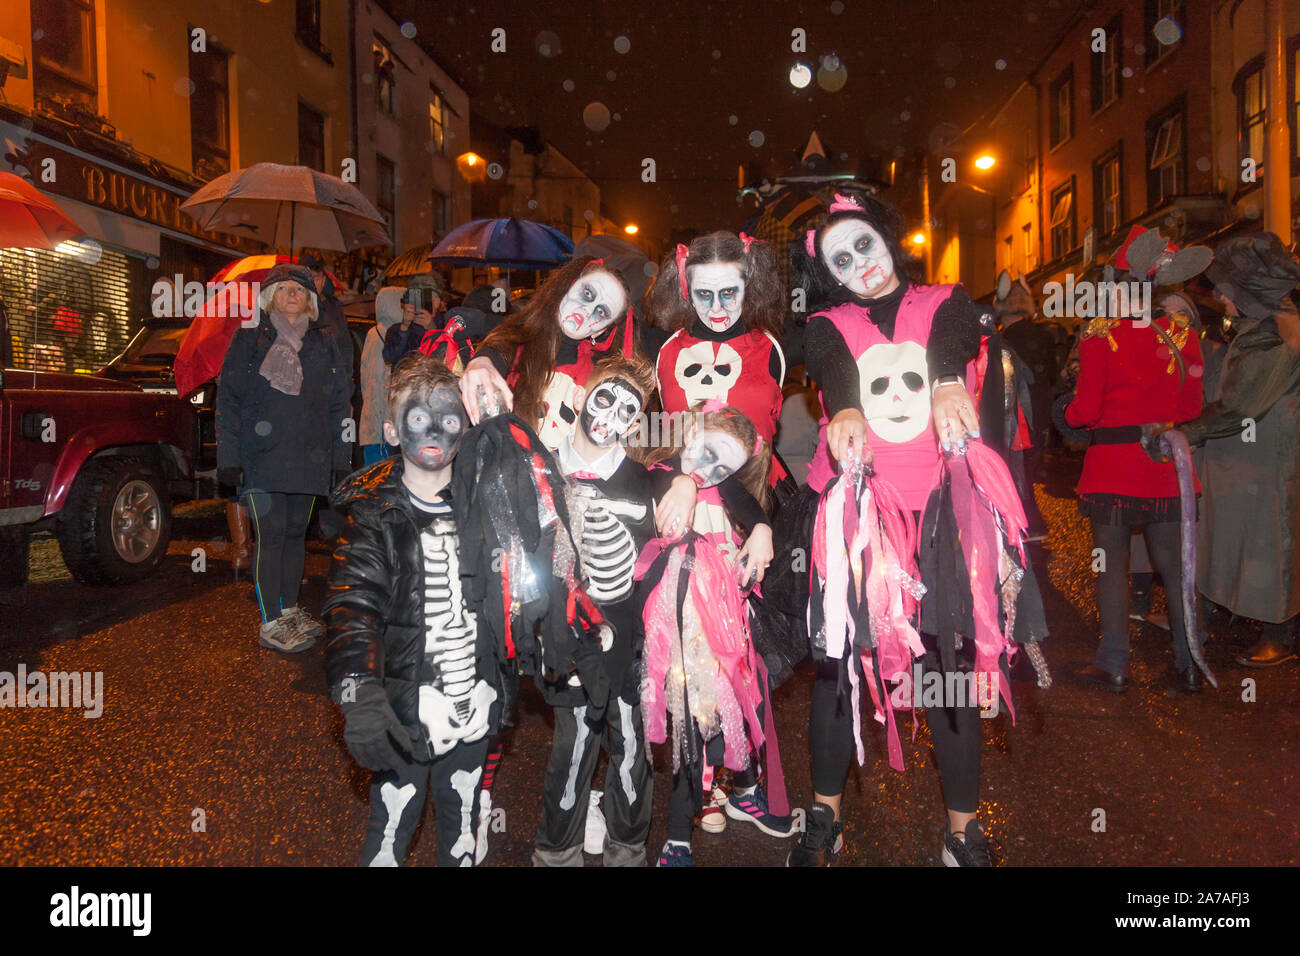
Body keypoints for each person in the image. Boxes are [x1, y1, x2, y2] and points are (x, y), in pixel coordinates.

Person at [784, 189, 1044, 867]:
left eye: (864, 245)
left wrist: (950, 380)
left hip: (942, 518)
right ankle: (824, 819)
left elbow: (955, 340)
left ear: (888, 239)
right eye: (841, 260)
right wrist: (843, 411)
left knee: (949, 668)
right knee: (840, 666)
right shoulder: (828, 321)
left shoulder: (946, 300)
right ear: (831, 275)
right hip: (859, 513)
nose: (858, 265)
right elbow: (833, 369)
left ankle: (963, 831)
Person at [324, 354, 500, 867]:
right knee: (391, 828)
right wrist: (358, 691)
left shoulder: (484, 505)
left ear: (464, 430)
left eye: (448, 420)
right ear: (392, 430)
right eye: (417, 419)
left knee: (462, 823)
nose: (434, 432)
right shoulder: (373, 515)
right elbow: (352, 607)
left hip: (476, 700)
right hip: (405, 705)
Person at [638, 403, 785, 866]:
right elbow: (666, 482)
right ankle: (678, 836)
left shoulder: (723, 487)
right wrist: (683, 481)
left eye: (724, 465)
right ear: (688, 432)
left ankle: (742, 789)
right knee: (687, 730)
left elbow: (752, 510)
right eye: (706, 451)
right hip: (677, 635)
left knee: (739, 709)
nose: (710, 469)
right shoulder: (661, 475)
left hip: (724, 628)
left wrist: (761, 529)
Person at [1064, 227, 1209, 694]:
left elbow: (1085, 411)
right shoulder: (1181, 333)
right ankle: (1189, 662)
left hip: (1112, 466)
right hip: (1165, 464)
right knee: (1174, 564)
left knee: (1112, 564)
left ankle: (1113, 662)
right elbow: (1190, 409)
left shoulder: (1101, 334)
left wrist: (1065, 411)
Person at [533, 355, 658, 867]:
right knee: (575, 740)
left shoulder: (643, 481)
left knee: (630, 741)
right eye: (605, 396)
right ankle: (556, 849)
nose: (612, 413)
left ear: (635, 422)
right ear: (583, 396)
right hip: (564, 633)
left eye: (628, 408)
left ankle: (627, 846)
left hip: (626, 631)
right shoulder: (539, 464)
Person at [216, 263, 353, 652]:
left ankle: (289, 609)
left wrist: (340, 457)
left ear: (310, 300)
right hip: (261, 457)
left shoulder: (325, 342)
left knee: (296, 535)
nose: (292, 293)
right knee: (271, 536)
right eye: (283, 287)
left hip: (309, 457)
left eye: (299, 288)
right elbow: (228, 400)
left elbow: (340, 403)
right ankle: (271, 621)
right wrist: (228, 457)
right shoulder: (249, 340)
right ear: (268, 297)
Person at [1180, 234, 1300, 668]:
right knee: (1231, 537)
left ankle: (1279, 633)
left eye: (1227, 293)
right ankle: (1206, 616)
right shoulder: (1268, 325)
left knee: (1270, 544)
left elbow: (1240, 405)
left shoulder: (1272, 334)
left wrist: (1185, 433)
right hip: (1249, 459)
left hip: (1265, 463)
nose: (1222, 302)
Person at [359, 286, 403, 465]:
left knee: (374, 477)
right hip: (387, 421)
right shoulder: (397, 335)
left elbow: (365, 376)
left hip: (371, 421)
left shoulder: (372, 333)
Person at [300, 252, 354, 369]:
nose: (312, 283)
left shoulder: (334, 311)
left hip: (330, 382)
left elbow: (345, 349)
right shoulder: (291, 310)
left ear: (323, 281)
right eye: (307, 278)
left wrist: (345, 382)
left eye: (316, 278)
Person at [383, 274, 446, 365]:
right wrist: (404, 328)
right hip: (406, 378)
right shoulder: (397, 329)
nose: (419, 302)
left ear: (437, 301)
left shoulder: (447, 326)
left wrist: (433, 330)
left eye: (425, 297)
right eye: (415, 297)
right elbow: (390, 358)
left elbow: (450, 359)